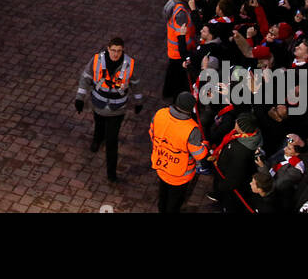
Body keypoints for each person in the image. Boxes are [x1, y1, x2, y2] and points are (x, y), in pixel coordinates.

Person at [74, 37, 142, 182]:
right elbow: (85, 77)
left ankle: (111, 173)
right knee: (99, 124)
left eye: (119, 51)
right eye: (113, 50)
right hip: (98, 103)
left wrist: (138, 101)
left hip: (118, 108)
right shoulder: (97, 60)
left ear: (122, 50)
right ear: (108, 48)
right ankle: (97, 140)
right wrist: (79, 98)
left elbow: (135, 83)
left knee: (112, 141)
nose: (115, 54)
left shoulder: (129, 64)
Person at [150, 91, 208, 213]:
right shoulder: (192, 128)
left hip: (161, 166)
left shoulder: (160, 114)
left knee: (163, 197)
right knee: (174, 203)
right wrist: (205, 146)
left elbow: (152, 134)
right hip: (180, 175)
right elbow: (199, 154)